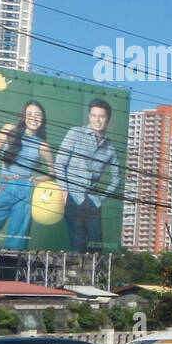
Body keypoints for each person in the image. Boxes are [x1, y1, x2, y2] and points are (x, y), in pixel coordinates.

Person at [0, 101, 55, 251]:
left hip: (25, 191)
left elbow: (54, 173)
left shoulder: (43, 145)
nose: (34, 118)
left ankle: (8, 269)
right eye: (30, 114)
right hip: (4, 186)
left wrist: (35, 180)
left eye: (38, 114)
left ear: (43, 119)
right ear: (23, 117)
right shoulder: (9, 130)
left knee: (16, 245)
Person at [56, 98, 119, 253]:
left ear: (108, 119)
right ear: (89, 116)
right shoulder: (75, 133)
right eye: (93, 115)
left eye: (101, 116)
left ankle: (94, 276)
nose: (97, 120)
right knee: (77, 243)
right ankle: (75, 275)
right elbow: (59, 163)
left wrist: (100, 199)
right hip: (73, 197)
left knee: (96, 244)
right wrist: (64, 191)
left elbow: (116, 177)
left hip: (92, 201)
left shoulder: (110, 147)